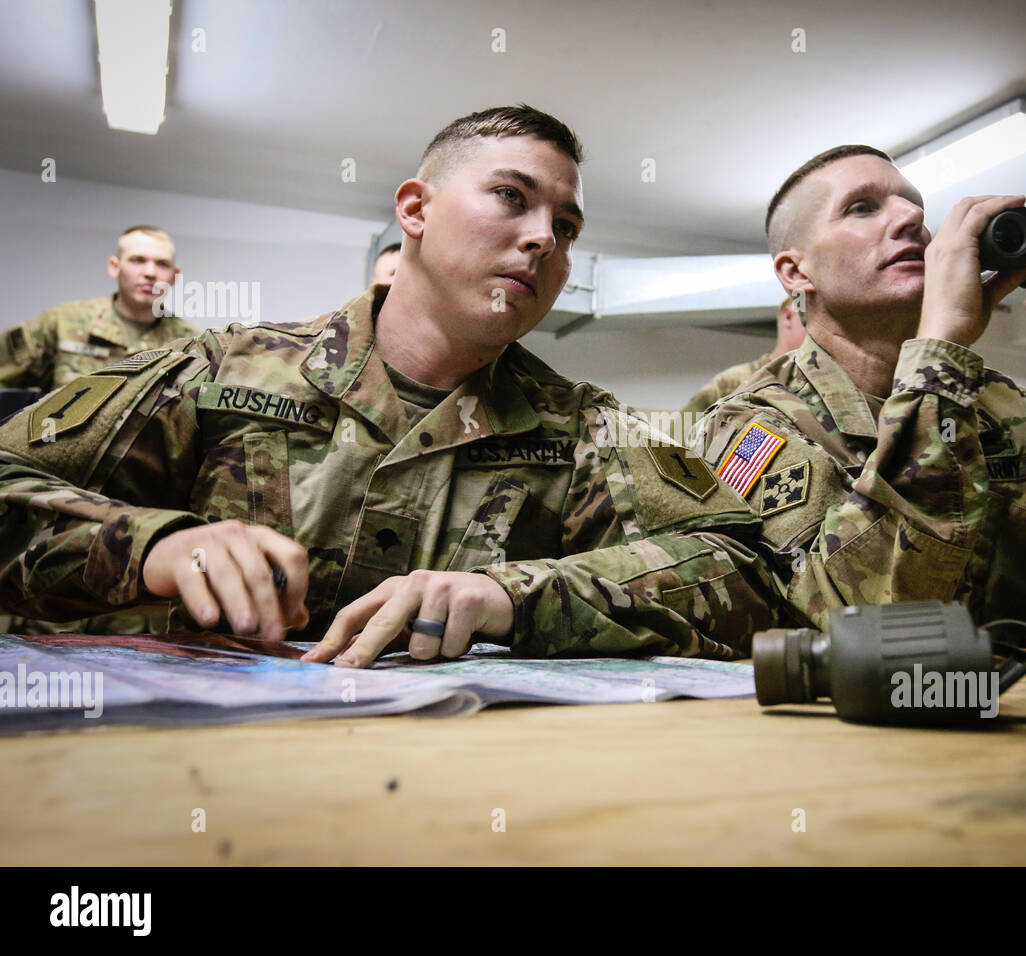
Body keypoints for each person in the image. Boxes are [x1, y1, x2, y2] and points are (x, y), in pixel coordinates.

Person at [0, 105, 774, 666]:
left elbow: (743, 572)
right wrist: (155, 546)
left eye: (566, 227)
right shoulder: (219, 369)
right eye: (511, 196)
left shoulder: (580, 426)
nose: (544, 237)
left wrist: (518, 596)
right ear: (415, 209)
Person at [691, 144, 1026, 652]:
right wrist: (940, 350)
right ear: (796, 271)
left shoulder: (1018, 417)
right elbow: (859, 626)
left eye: (914, 206)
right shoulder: (749, 425)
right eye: (861, 208)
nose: (910, 218)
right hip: (831, 747)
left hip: (1002, 738)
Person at [0, 225, 198, 391]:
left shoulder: (190, 343)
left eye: (162, 264)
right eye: (137, 260)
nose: (150, 272)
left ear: (174, 276)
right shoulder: (62, 322)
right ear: (114, 266)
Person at [681, 296, 806, 414]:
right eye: (815, 317)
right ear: (788, 317)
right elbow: (678, 433)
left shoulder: (821, 386)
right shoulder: (730, 385)